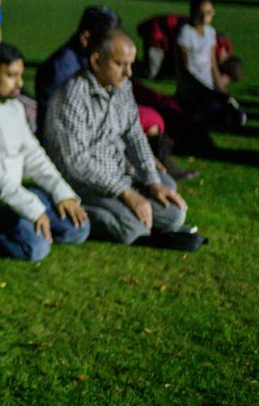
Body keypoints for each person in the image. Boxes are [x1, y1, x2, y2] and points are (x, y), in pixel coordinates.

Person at [44, 30, 200, 249]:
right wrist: (125, 193)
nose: (128, 72)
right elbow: (75, 162)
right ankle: (66, 209)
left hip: (119, 174)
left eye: (130, 64)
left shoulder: (122, 86)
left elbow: (135, 135)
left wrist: (152, 182)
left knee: (173, 212)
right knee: (132, 229)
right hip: (83, 184)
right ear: (97, 61)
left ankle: (133, 214)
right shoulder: (72, 96)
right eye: (120, 64)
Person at [0, 43, 89, 262]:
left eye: (20, 75)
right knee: (34, 248)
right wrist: (33, 209)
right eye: (11, 76)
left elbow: (33, 155)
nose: (20, 83)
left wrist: (63, 194)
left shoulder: (14, 106)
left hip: (13, 195)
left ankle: (29, 227)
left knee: (78, 227)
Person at [33, 5, 120, 134]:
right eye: (108, 42)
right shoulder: (62, 71)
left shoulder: (89, 62)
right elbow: (60, 127)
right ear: (85, 38)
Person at [176, 0, 247, 130]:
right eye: (201, 13)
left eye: (209, 13)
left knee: (238, 116)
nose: (204, 17)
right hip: (192, 89)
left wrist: (220, 89)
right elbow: (184, 69)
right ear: (192, 12)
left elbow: (212, 65)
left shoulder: (210, 32)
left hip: (209, 88)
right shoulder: (185, 32)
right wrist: (206, 91)